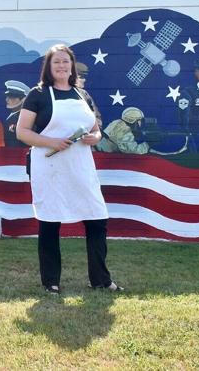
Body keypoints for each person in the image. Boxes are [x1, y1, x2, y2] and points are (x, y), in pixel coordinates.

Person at [16, 44, 121, 295]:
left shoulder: (82, 95)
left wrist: (96, 137)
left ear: (72, 66)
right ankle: (50, 281)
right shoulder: (38, 94)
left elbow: (95, 128)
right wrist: (51, 142)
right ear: (49, 67)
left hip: (81, 166)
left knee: (97, 219)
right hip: (50, 166)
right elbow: (22, 132)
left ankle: (100, 279)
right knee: (50, 222)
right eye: (57, 62)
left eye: (66, 61)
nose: (62, 66)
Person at [3, 80, 30, 147]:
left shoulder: (24, 118)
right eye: (7, 96)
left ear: (24, 99)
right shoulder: (13, 115)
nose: (7, 99)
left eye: (12, 97)